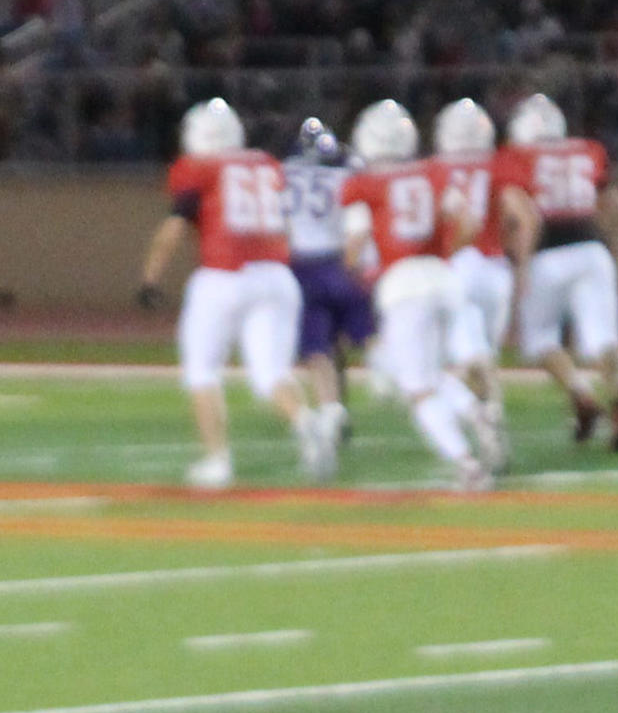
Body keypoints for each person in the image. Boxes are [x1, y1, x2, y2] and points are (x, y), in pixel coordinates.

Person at [138, 96, 322, 490]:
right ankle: (306, 424)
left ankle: (217, 461)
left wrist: (150, 278)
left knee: (202, 370)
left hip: (223, 277)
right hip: (276, 276)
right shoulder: (266, 164)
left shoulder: (196, 169)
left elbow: (175, 226)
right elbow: (286, 228)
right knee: (271, 373)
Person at [342, 99, 497, 491]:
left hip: (403, 284)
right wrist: (444, 252)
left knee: (417, 388)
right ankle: (475, 411)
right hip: (442, 278)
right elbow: (471, 221)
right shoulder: (433, 172)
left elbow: (356, 243)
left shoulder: (364, 183)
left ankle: (467, 464)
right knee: (434, 373)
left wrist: (353, 273)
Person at [498, 94, 618, 452]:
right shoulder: (588, 149)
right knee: (603, 337)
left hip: (546, 255)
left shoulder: (515, 157)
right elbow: (617, 210)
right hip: (591, 249)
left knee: (541, 339)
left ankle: (581, 394)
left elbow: (520, 219)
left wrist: (520, 267)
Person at [428, 98, 515, 470]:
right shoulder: (499, 165)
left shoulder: (433, 170)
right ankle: (492, 414)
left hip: (458, 266)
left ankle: (484, 423)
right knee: (483, 357)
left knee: (462, 359)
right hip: (496, 269)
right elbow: (520, 213)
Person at [279, 118, 365, 475]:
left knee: (315, 350)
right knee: (349, 342)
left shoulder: (283, 171)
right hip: (341, 260)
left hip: (301, 264)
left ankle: (329, 415)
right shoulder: (349, 169)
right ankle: (337, 410)